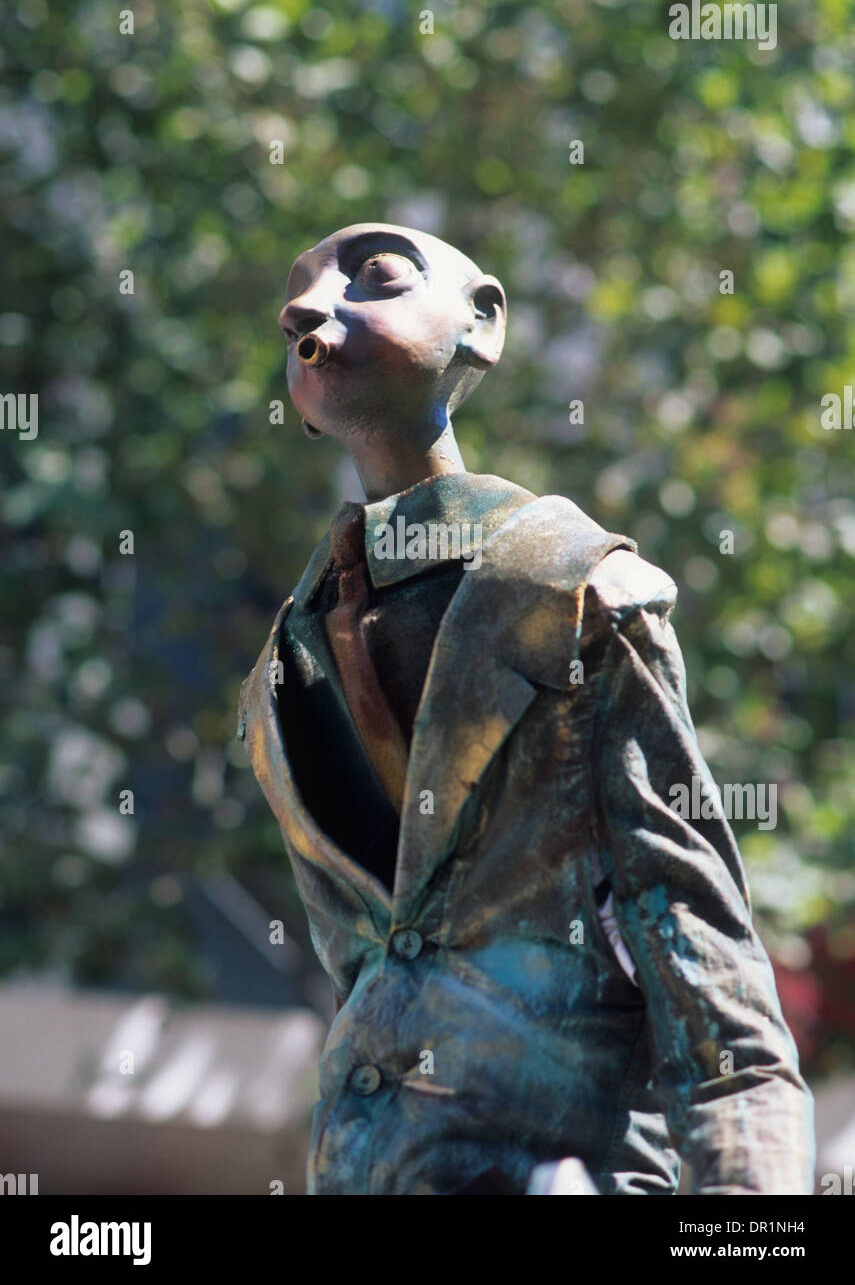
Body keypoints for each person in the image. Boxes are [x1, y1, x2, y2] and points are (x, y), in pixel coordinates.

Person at [237, 222, 815, 1195]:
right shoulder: (282, 670)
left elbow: (718, 995)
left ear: (483, 322)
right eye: (296, 296)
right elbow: (370, 976)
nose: (307, 306)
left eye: (373, 276)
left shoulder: (573, 593)